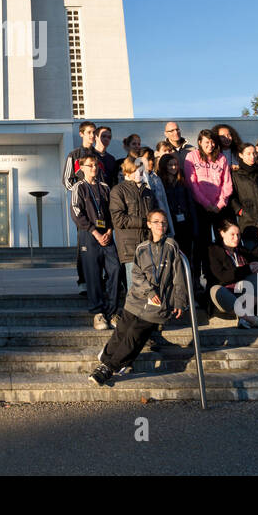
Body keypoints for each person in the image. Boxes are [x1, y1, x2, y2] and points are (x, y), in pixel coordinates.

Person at [90, 210, 189, 385]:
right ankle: (107, 356)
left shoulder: (171, 246)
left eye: (164, 222)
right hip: (137, 300)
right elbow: (136, 274)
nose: (160, 226)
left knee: (134, 336)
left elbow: (178, 277)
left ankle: (108, 368)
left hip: (157, 305)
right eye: (156, 222)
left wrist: (180, 300)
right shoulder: (142, 248)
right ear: (149, 224)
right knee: (122, 330)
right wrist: (149, 292)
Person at [72, 154, 120, 329]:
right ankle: (98, 312)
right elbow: (77, 212)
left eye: (96, 165)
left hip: (106, 235)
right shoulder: (79, 187)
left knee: (115, 269)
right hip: (89, 235)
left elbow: (113, 211)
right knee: (93, 274)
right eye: (90, 165)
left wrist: (109, 230)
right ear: (82, 168)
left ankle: (113, 311)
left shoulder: (105, 187)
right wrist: (95, 232)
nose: (94, 168)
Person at [185, 130, 233, 302]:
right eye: (206, 142)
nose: (210, 145)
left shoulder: (221, 158)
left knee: (221, 244)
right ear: (199, 142)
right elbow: (192, 184)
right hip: (200, 208)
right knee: (200, 245)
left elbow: (227, 184)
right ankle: (198, 284)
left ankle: (223, 281)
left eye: (212, 142)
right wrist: (207, 204)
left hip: (219, 209)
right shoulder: (192, 157)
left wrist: (219, 205)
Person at [205, 221, 258, 328]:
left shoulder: (241, 251)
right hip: (226, 295)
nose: (236, 238)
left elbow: (257, 263)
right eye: (232, 234)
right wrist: (248, 268)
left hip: (242, 295)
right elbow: (222, 277)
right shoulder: (213, 250)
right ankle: (256, 321)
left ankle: (244, 318)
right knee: (215, 289)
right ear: (222, 233)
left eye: (238, 235)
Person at [63, 121, 100, 291]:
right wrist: (81, 191)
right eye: (89, 132)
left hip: (99, 205)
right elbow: (66, 181)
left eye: (94, 132)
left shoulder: (99, 156)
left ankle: (99, 280)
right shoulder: (74, 155)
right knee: (84, 243)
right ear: (81, 134)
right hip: (84, 206)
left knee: (101, 243)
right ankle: (83, 281)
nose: (92, 136)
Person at [110, 156, 155, 287]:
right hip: (130, 249)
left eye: (141, 169)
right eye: (135, 170)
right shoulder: (118, 191)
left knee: (150, 290)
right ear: (127, 171)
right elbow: (118, 219)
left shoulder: (148, 192)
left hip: (149, 245)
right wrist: (145, 222)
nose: (139, 172)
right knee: (134, 290)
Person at [158, 153, 200, 289]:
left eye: (175, 164)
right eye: (170, 164)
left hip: (185, 225)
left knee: (186, 258)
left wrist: (194, 228)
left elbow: (191, 207)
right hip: (170, 225)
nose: (174, 167)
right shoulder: (161, 184)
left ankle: (189, 289)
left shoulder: (183, 183)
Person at [139, 147, 171, 220]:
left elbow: (164, 203)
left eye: (152, 159)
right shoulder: (137, 179)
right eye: (147, 159)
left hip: (161, 219)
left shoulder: (156, 178)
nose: (151, 162)